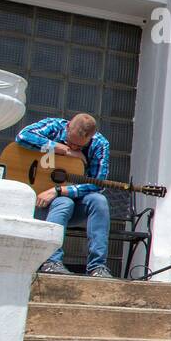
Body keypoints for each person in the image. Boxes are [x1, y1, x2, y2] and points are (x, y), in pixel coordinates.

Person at [17, 113, 113, 278]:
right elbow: (22, 136)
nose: (74, 148)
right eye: (71, 142)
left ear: (91, 137)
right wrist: (62, 149)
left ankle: (97, 266)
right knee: (64, 203)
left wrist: (58, 190)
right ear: (68, 127)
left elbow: (98, 184)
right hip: (43, 202)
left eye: (79, 147)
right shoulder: (54, 126)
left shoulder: (100, 143)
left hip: (74, 201)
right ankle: (51, 262)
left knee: (99, 201)